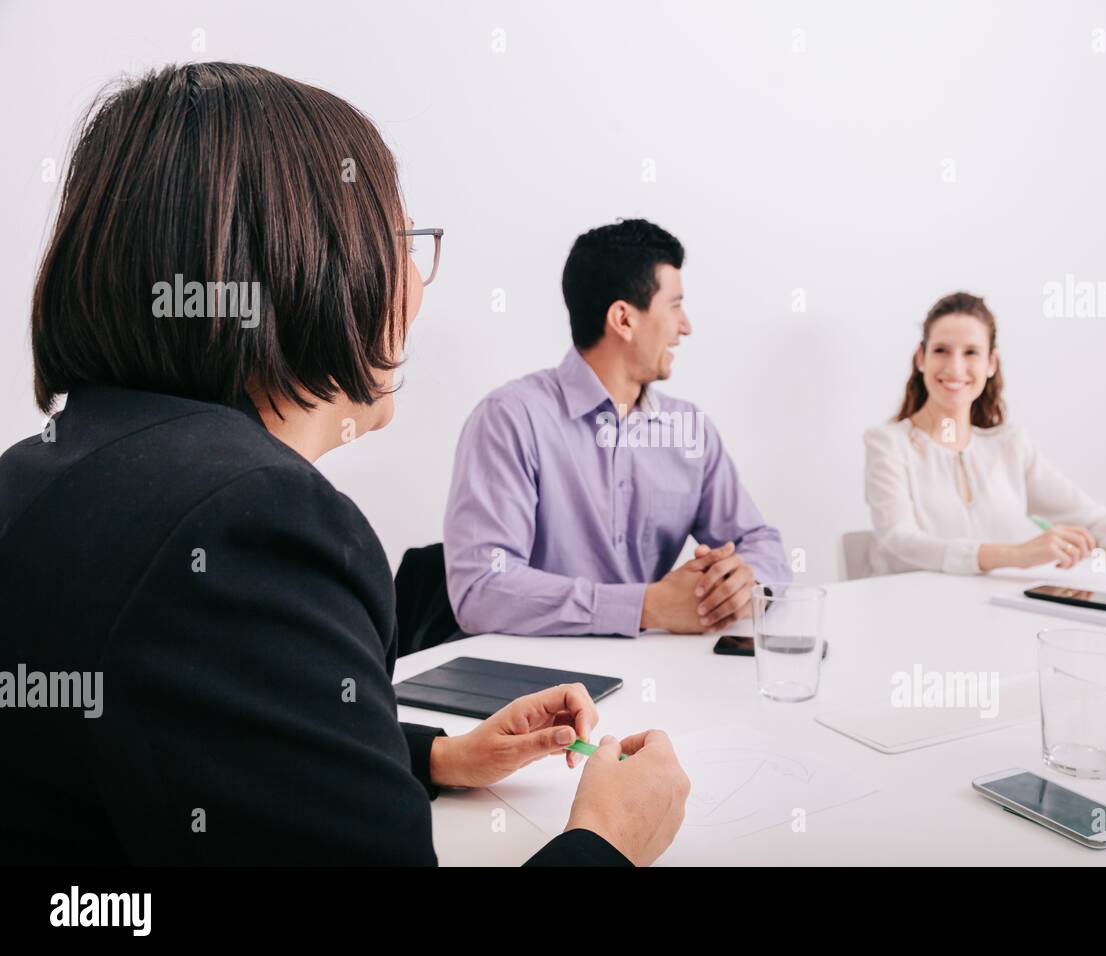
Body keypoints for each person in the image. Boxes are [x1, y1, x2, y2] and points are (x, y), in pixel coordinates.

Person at [0, 62, 687, 866]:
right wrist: (607, 840)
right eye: (401, 243)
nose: (418, 291)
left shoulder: (43, 473)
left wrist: (428, 755)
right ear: (313, 267)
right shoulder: (251, 520)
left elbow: (186, 731)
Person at [443, 219, 791, 637]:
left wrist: (741, 582)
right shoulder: (510, 419)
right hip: (539, 689)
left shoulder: (690, 431)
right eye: (675, 306)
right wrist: (647, 607)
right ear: (623, 319)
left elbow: (762, 543)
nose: (686, 327)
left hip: (662, 673)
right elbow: (480, 590)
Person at [863, 292, 1106, 577]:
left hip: (1000, 615)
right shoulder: (889, 443)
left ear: (990, 364)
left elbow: (1084, 513)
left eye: (971, 352)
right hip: (914, 613)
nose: (955, 367)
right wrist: (1017, 554)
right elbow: (899, 540)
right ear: (921, 358)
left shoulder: (1010, 446)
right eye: (941, 350)